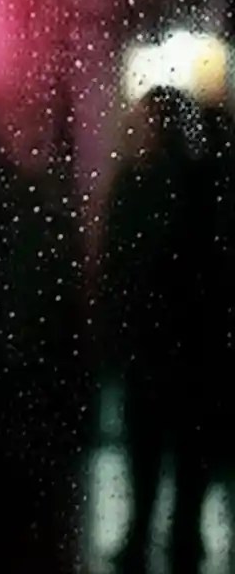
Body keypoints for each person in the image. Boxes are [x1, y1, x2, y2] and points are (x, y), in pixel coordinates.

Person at [105, 85, 235, 574]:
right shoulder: (202, 186)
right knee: (178, 445)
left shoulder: (151, 185)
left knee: (160, 444)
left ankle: (152, 535)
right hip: (185, 340)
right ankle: (174, 535)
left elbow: (122, 264)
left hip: (170, 340)